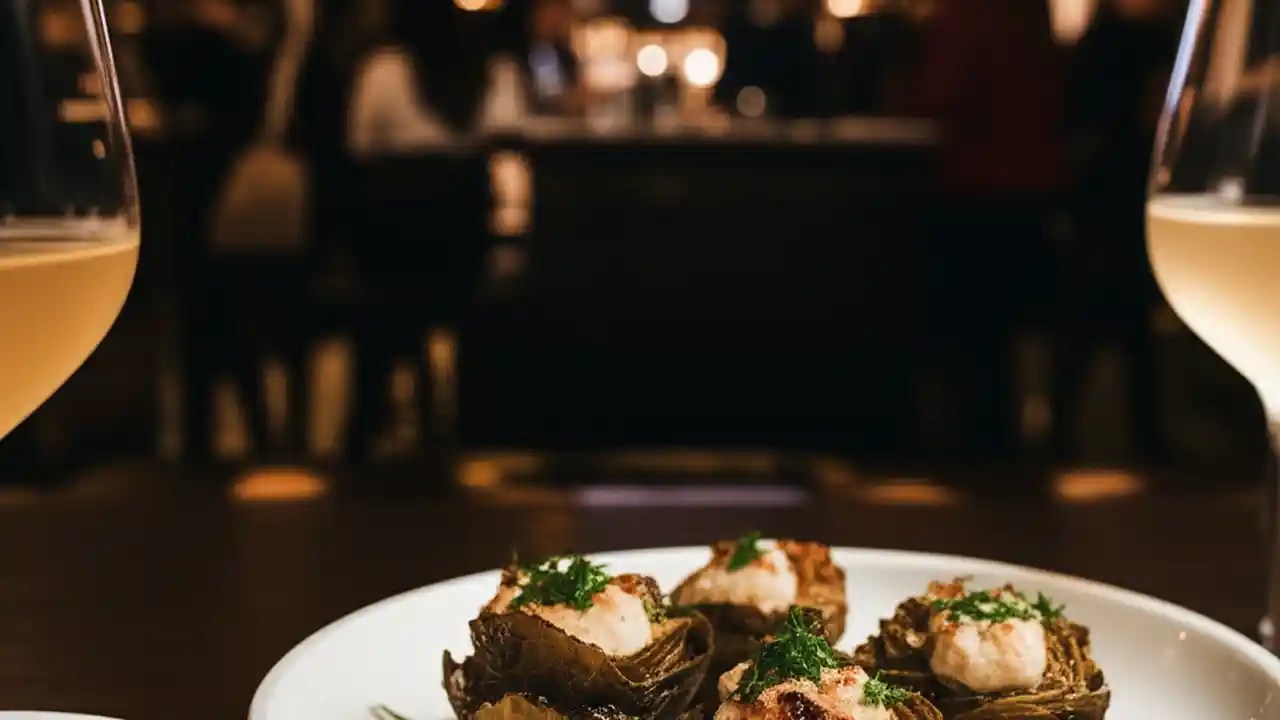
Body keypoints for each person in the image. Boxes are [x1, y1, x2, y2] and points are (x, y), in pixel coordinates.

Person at [913, 0, 1069, 459]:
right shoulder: (1030, 18)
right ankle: (1031, 449)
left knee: (977, 346)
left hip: (977, 199)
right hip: (1035, 197)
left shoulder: (965, 18)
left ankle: (985, 463)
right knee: (1018, 338)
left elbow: (937, 99)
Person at [1056, 0, 1180, 459]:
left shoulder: (1154, 36)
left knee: (1130, 337)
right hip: (1106, 208)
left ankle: (1145, 443)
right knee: (1092, 331)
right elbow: (1079, 129)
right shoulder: (1107, 42)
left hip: (1135, 207)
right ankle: (1064, 446)